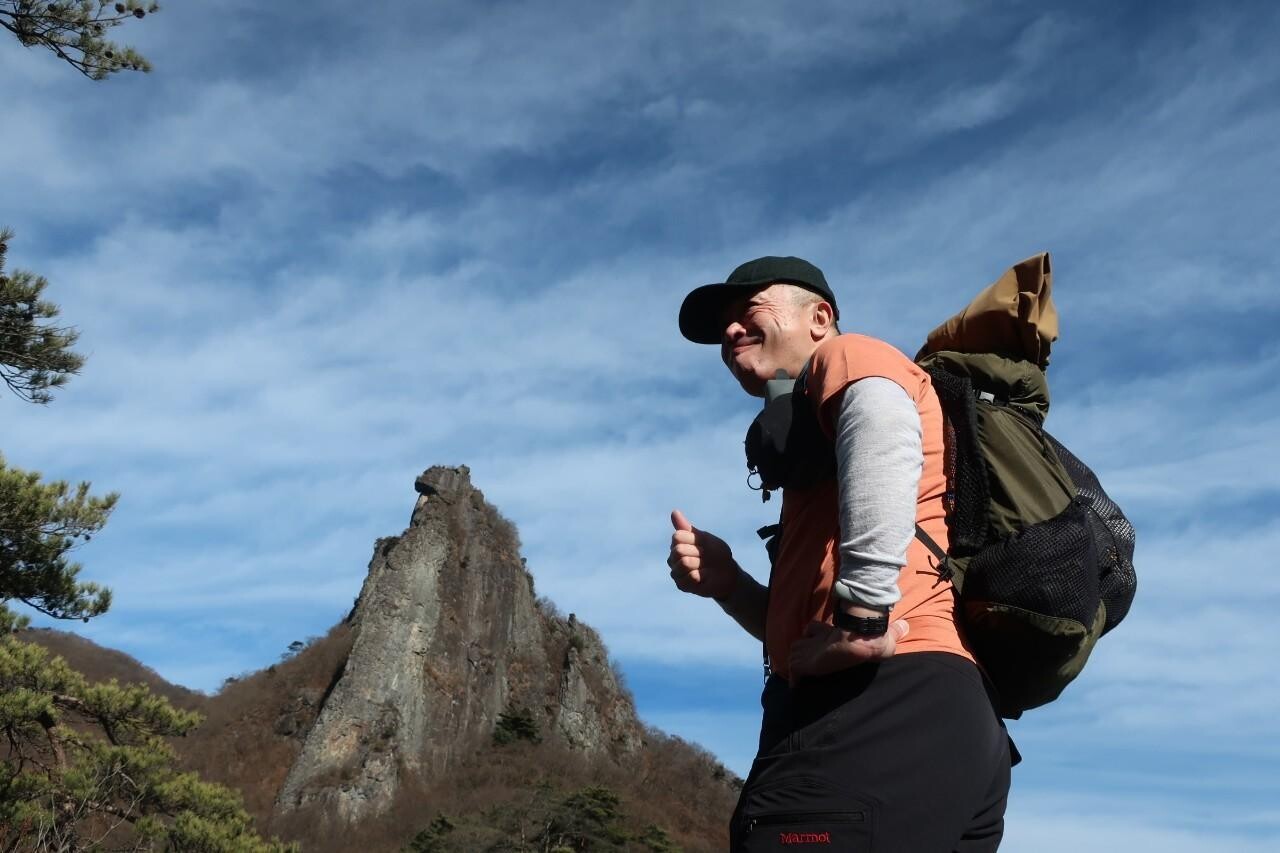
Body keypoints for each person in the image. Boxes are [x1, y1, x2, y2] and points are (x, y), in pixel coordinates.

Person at [668, 256, 1012, 852]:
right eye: (721, 327)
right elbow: (805, 637)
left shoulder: (851, 356)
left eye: (747, 311)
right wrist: (730, 585)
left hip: (875, 699)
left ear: (819, 318)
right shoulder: (813, 457)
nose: (728, 333)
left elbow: (881, 422)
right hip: (940, 717)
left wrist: (863, 619)